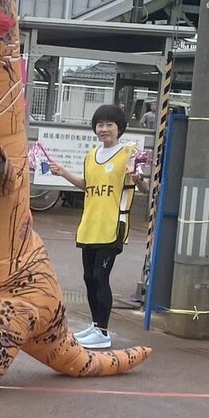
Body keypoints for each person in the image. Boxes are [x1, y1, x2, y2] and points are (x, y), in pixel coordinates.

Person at [46, 104, 146, 350]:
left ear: (119, 128)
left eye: (109, 124)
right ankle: (95, 325)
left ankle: (103, 332)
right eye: (100, 125)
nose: (104, 129)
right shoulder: (91, 156)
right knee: (89, 277)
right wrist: (62, 173)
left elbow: (143, 188)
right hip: (90, 225)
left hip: (112, 226)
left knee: (101, 277)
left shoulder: (129, 153)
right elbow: (86, 185)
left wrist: (138, 179)